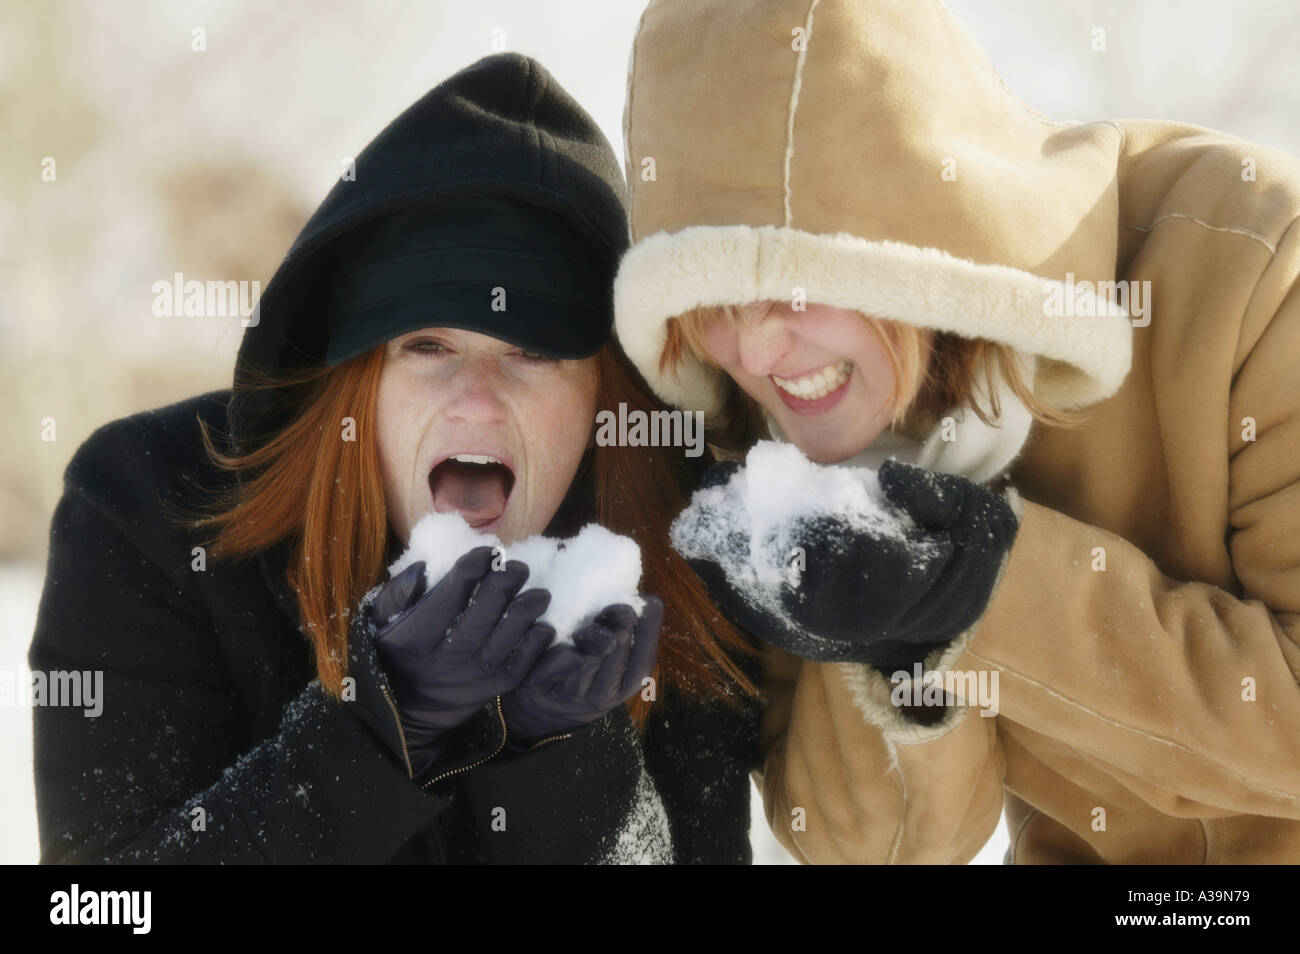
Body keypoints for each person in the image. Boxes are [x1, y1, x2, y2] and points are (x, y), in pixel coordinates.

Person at [29, 53, 760, 865]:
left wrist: (559, 763)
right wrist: (380, 734)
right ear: (357, 379)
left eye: (533, 351)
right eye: (426, 344)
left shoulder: (670, 556)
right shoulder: (149, 507)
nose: (476, 400)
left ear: (604, 394)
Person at [613, 0, 1300, 863]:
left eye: (797, 283)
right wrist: (900, 653)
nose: (753, 348)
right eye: (709, 303)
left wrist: (987, 588)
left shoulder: (1253, 268)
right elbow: (873, 850)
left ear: (910, 250)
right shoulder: (780, 426)